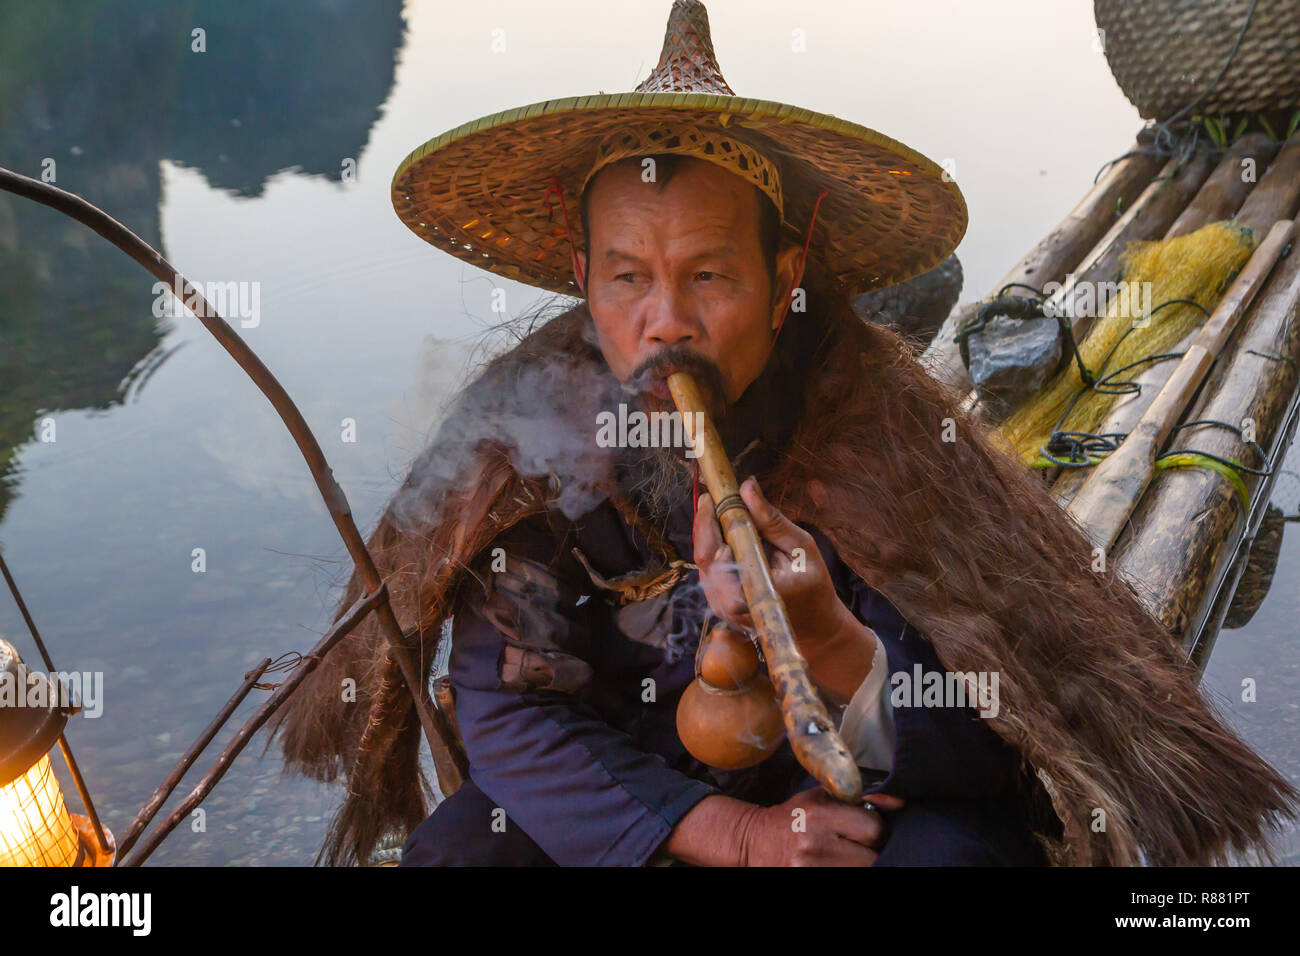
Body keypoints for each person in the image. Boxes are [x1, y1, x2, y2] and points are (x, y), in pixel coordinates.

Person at [272, 0, 1295, 867]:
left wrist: (827, 640)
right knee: (462, 846)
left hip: (852, 814)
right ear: (582, 279)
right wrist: (727, 830)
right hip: (647, 806)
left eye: (708, 274)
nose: (663, 320)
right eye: (627, 277)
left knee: (961, 851)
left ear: (785, 280)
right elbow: (509, 712)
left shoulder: (879, 427)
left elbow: (1001, 734)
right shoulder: (529, 435)